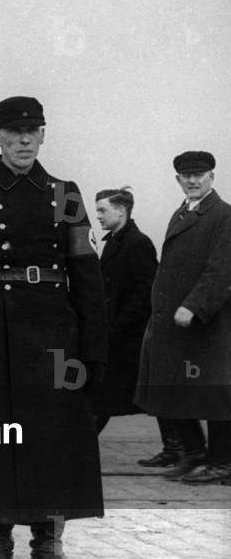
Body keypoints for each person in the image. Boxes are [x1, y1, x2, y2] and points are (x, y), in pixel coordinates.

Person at [0, 96, 106, 559]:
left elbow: (87, 275)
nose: (24, 140)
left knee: (54, 436)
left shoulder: (66, 194)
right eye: (13, 133)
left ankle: (49, 537)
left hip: (56, 335)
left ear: (44, 135)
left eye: (33, 131)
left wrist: (95, 350)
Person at [135, 151, 231, 484]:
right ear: (178, 180)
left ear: (212, 177)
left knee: (216, 392)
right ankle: (195, 455)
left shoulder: (223, 215)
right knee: (176, 387)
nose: (193, 180)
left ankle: (222, 463)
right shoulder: (181, 214)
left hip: (208, 322)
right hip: (175, 321)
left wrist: (195, 305)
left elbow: (221, 270)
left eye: (200, 175)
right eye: (186, 176)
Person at [92, 188, 157, 434]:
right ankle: (175, 448)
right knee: (117, 394)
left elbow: (147, 291)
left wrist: (118, 324)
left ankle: (179, 449)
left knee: (114, 394)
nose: (98, 216)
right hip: (117, 333)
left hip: (128, 336)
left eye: (102, 210)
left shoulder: (137, 243)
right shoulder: (116, 242)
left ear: (121, 211)